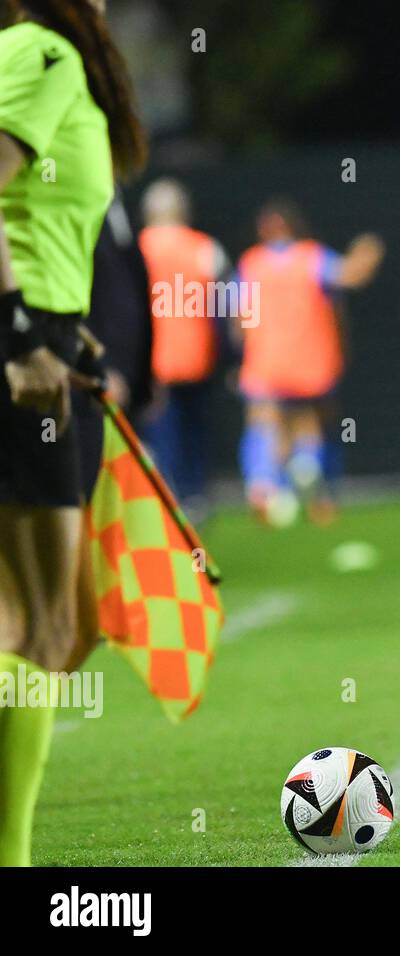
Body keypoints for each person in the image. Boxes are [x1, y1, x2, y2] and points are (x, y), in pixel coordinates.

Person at [0, 0, 146, 866]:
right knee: (42, 629)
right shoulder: (40, 49)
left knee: (28, 623)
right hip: (24, 360)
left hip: (49, 347)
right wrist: (22, 333)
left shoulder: (49, 58)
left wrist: (67, 334)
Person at [234, 199, 383, 525]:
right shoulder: (312, 257)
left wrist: (241, 349)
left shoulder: (251, 263)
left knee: (264, 421)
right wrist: (368, 250)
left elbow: (237, 314)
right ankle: (310, 479)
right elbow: (351, 276)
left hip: (266, 360)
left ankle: (265, 488)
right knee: (310, 422)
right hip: (310, 359)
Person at [138, 177, 229, 519]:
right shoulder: (205, 247)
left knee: (162, 434)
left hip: (152, 361)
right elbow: (228, 304)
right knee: (195, 433)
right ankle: (195, 498)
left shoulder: (136, 249)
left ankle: (166, 499)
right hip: (198, 356)